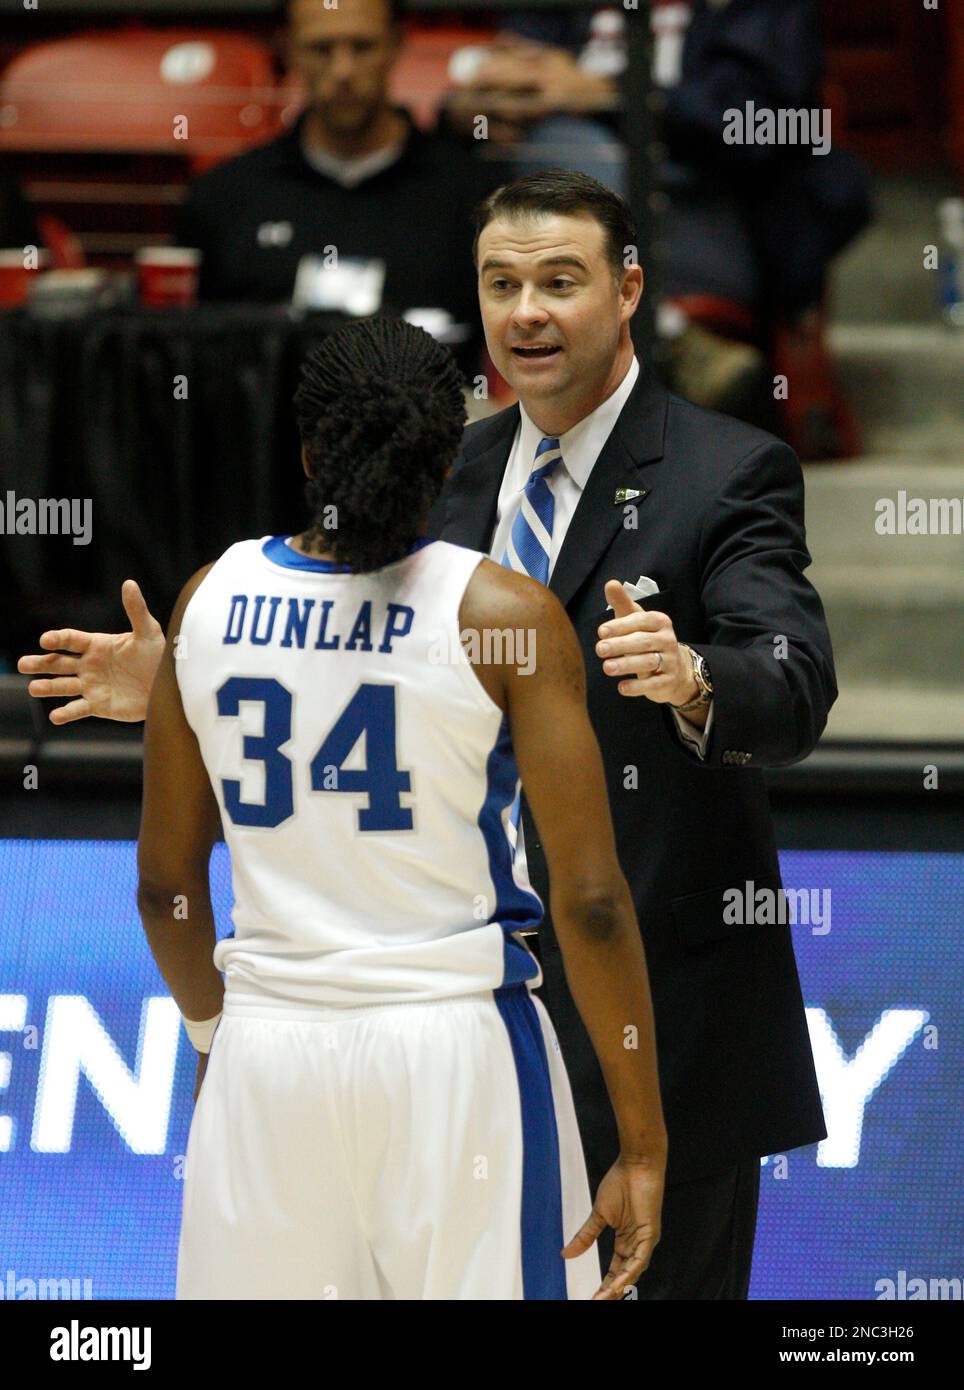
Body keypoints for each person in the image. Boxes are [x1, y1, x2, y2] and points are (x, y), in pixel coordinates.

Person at [20, 170, 835, 1300]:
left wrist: (695, 676)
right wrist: (182, 683)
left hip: (652, 1022)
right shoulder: (426, 464)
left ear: (630, 288)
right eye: (502, 283)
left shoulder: (727, 468)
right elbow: (359, 650)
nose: (527, 311)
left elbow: (794, 684)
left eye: (560, 280)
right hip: (457, 1032)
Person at [133, 316, 666, 1301]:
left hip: (269, 1052)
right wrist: (640, 1141)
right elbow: (589, 899)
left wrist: (213, 1038)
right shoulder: (503, 617)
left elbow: (166, 883)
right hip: (455, 1050)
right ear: (445, 455)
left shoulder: (206, 596)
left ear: (304, 452)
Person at [177, 0, 498, 356]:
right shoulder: (223, 197)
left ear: (396, 45)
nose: (343, 70)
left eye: (362, 47)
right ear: (289, 50)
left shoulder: (473, 199)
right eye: (321, 49)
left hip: (438, 407)